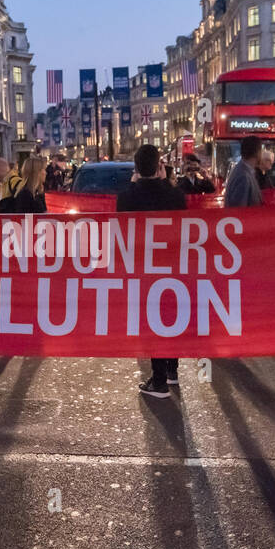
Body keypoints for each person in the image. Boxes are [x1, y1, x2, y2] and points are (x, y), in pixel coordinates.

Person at [117, 145, 187, 397]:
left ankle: (158, 381)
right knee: (171, 314)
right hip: (173, 264)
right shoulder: (175, 195)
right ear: (159, 166)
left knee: (154, 320)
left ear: (136, 168)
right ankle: (172, 370)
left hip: (143, 267)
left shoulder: (126, 197)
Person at [223, 136, 264, 207]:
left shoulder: (242, 170)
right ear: (257, 152)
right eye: (261, 150)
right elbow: (240, 210)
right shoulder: (243, 176)